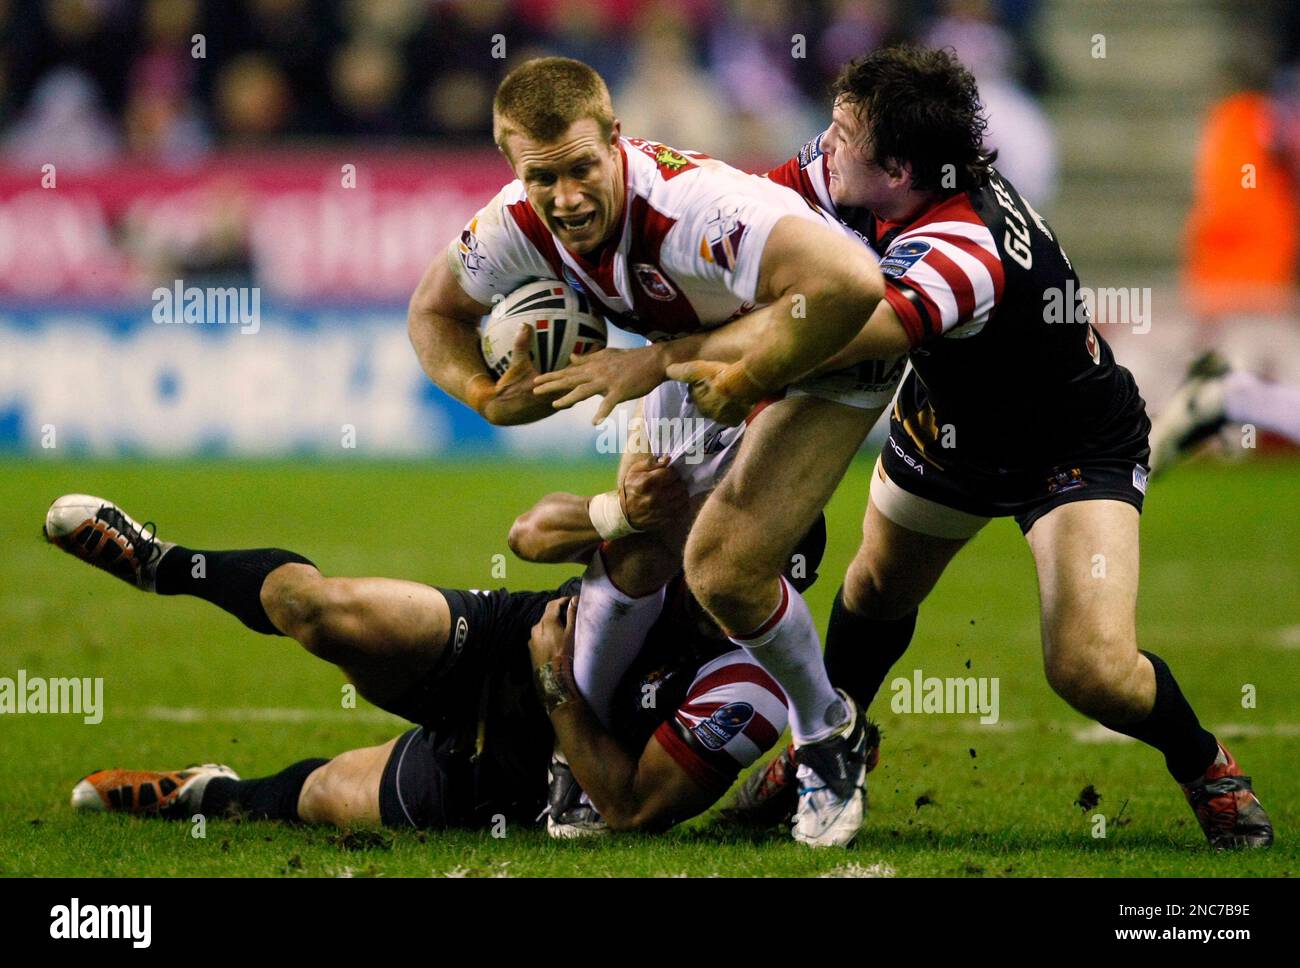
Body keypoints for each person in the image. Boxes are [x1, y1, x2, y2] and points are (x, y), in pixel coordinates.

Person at [720, 45, 1269, 849]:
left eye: (842, 133)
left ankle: (1206, 764)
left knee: (1091, 669)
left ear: (901, 168)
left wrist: (693, 350)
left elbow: (843, 336)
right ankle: (834, 746)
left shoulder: (960, 250)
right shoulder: (877, 167)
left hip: (1070, 444)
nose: (824, 145)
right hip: (951, 426)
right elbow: (753, 203)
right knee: (874, 590)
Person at [407, 55, 898, 847]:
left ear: (616, 140)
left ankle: (826, 735)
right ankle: (577, 761)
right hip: (700, 354)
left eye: (580, 169)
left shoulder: (694, 209)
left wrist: (701, 369)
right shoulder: (510, 224)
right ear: (511, 166)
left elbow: (848, 287)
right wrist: (481, 395)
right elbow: (432, 312)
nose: (565, 198)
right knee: (637, 533)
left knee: (725, 569)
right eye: (541, 178)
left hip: (829, 354)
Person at [44, 405, 824, 833]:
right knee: (315, 610)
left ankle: (205, 793)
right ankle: (163, 564)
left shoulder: (755, 686)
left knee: (317, 798)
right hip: (508, 642)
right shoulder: (670, 537)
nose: (716, 572)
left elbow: (631, 809)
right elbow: (526, 536)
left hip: (532, 773)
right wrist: (617, 511)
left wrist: (556, 688)